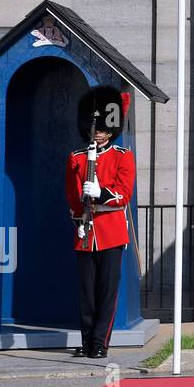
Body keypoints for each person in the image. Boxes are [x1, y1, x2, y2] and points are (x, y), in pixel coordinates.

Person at [66, 85, 136, 359]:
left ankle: (99, 342)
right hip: (86, 231)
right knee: (87, 294)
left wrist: (101, 193)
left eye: (104, 128)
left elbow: (124, 194)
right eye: (95, 127)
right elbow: (72, 195)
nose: (99, 132)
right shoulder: (77, 158)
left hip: (111, 231)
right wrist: (78, 221)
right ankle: (86, 341)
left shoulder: (122, 156)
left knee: (106, 293)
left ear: (111, 129)